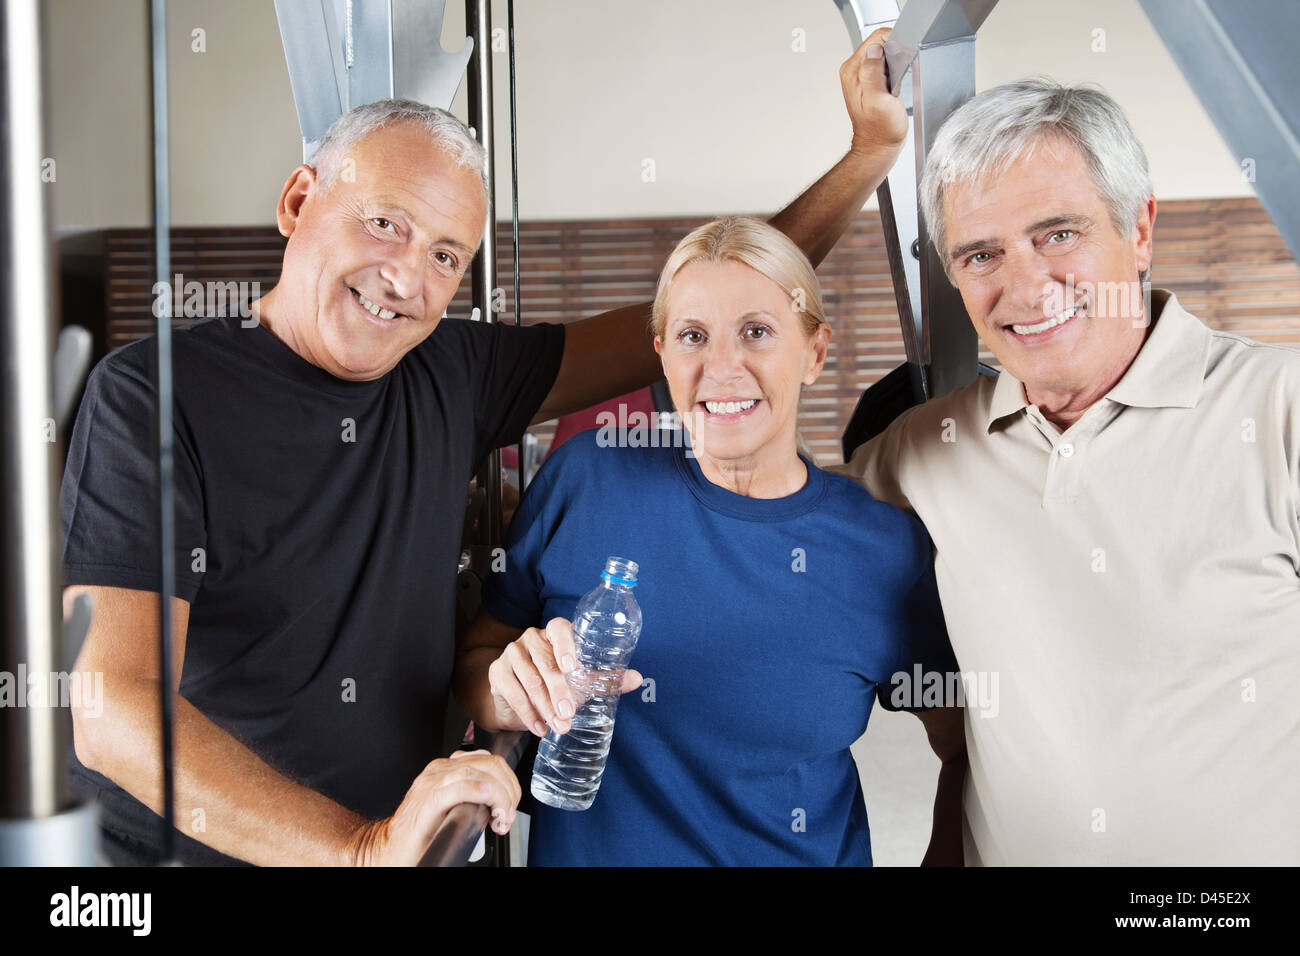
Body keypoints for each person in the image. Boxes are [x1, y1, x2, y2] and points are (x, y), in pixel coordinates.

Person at [62, 30, 914, 866]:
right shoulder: (153, 396)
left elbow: (720, 301)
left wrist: (867, 158)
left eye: (444, 255)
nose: (406, 276)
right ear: (297, 203)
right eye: (384, 223)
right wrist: (358, 852)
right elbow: (112, 708)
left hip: (407, 841)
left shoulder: (452, 368)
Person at [834, 78, 1300, 865]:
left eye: (1057, 234)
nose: (1023, 286)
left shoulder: (1281, 408)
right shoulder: (921, 451)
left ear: (1140, 228)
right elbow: (763, 547)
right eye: (981, 254)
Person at [454, 216, 967, 866]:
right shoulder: (586, 478)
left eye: (756, 331)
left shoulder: (881, 548)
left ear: (814, 351)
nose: (722, 367)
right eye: (694, 336)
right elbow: (476, 664)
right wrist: (506, 688)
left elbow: (962, 746)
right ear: (662, 353)